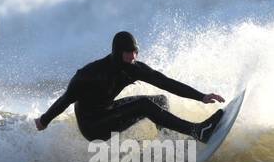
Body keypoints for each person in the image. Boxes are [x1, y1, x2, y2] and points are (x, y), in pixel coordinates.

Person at [34, 31, 226, 142]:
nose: (133, 57)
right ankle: (197, 131)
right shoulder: (89, 74)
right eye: (128, 53)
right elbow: (65, 100)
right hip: (92, 126)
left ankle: (170, 143)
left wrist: (201, 96)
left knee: (160, 100)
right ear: (117, 53)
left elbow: (165, 82)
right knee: (144, 104)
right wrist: (44, 120)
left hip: (108, 111)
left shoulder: (133, 68)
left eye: (135, 52)